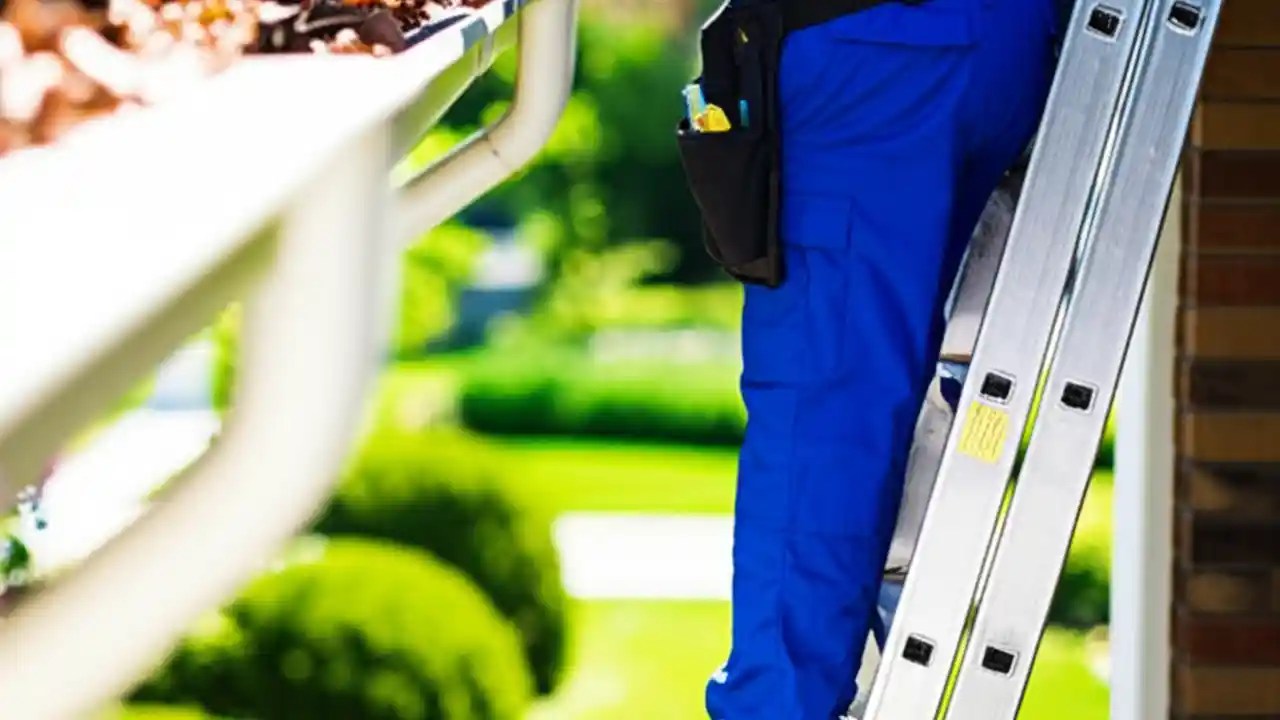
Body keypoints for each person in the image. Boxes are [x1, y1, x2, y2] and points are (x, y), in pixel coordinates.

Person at [704, 0, 1062, 718]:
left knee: (823, 412)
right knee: (872, 403)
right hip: (988, 41)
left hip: (880, 53)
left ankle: (779, 707)